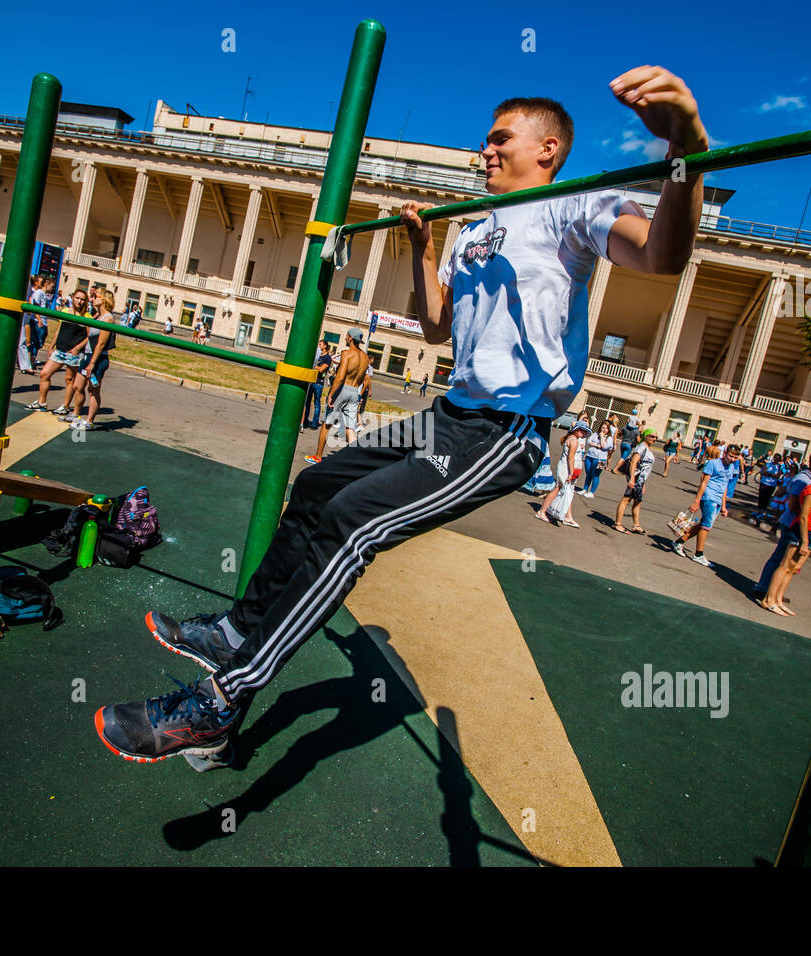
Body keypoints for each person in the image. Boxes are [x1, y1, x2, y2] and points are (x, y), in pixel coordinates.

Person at [94, 76, 711, 766]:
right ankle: (237, 631)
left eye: (500, 138)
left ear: (548, 148)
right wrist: (422, 250)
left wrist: (686, 144)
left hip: (504, 429)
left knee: (353, 522)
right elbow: (434, 326)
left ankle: (220, 702)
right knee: (318, 487)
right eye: (486, 137)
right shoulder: (472, 228)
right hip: (449, 415)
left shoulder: (575, 208)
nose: (484, 148)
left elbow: (664, 255)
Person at [752, 449, 811, 600]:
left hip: (799, 524)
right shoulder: (803, 480)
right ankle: (763, 588)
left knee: (788, 562)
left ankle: (773, 591)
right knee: (781, 559)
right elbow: (794, 506)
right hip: (792, 523)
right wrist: (807, 516)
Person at [671, 442, 740, 567]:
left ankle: (679, 542)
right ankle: (698, 554)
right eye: (731, 456)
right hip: (709, 497)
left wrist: (724, 506)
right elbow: (703, 483)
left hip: (718, 499)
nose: (733, 459)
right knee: (706, 527)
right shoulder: (713, 463)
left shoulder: (731, 467)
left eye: (735, 457)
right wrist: (697, 501)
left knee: (704, 524)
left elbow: (725, 487)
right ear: (725, 453)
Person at [306, 328, 368, 463]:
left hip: (342, 389)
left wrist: (331, 394)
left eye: (346, 337)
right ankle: (355, 459)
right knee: (350, 427)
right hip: (354, 391)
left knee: (326, 423)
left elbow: (340, 377)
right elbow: (363, 377)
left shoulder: (347, 353)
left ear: (350, 338)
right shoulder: (365, 358)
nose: (345, 339)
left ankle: (317, 456)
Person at [27, 288, 90, 413]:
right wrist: (51, 346)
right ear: (73, 298)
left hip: (73, 353)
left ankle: (65, 406)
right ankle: (41, 402)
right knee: (44, 374)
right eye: (77, 298)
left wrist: (77, 348)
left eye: (82, 299)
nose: (79, 301)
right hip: (60, 350)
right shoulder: (66, 311)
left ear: (86, 301)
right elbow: (59, 329)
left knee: (69, 379)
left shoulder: (87, 317)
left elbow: (89, 337)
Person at [67, 289, 117, 431]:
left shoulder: (108, 318)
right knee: (77, 386)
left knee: (93, 390)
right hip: (87, 354)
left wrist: (92, 363)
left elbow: (101, 343)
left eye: (96, 296)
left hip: (98, 358)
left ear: (105, 299)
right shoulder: (97, 316)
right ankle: (76, 414)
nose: (93, 298)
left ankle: (89, 421)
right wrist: (78, 348)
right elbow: (89, 337)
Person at [537, 416, 589, 527]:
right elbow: (570, 458)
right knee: (558, 489)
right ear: (577, 429)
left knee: (567, 491)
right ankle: (542, 511)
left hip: (564, 466)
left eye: (585, 431)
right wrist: (571, 473)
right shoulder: (574, 440)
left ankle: (568, 517)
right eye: (582, 430)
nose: (583, 433)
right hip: (566, 467)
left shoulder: (570, 437)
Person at [613, 427, 657, 534]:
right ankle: (617, 524)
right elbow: (633, 462)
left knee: (637, 501)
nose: (654, 439)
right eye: (652, 436)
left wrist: (643, 483)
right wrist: (632, 479)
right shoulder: (642, 447)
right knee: (626, 499)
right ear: (646, 436)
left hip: (640, 479)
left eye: (656, 437)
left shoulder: (648, 447)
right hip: (636, 477)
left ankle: (636, 525)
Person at [301, 339, 331, 432]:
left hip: (319, 383)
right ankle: (305, 421)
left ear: (325, 346)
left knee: (317, 404)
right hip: (311, 381)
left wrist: (313, 366)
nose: (318, 345)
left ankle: (314, 423)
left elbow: (322, 369)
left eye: (320, 344)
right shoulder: (317, 356)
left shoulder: (327, 358)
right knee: (307, 402)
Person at [581, 418, 614, 497]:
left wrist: (602, 437)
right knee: (588, 473)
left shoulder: (609, 438)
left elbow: (605, 447)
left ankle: (591, 492)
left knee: (595, 475)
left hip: (601, 459)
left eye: (606, 428)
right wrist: (596, 445)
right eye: (603, 428)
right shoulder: (595, 434)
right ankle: (585, 489)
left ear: (609, 429)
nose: (604, 430)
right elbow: (589, 441)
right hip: (590, 456)